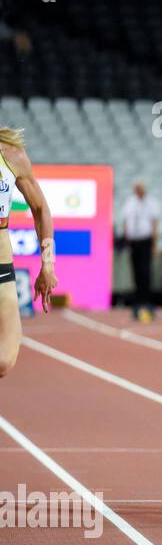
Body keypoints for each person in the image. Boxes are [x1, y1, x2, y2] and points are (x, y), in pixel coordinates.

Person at [0, 127, 57, 376]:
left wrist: (48, 264)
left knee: (5, 359)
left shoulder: (12, 156)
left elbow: (41, 210)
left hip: (1, 268)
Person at [120, 181, 160, 319]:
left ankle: (146, 301)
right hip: (133, 241)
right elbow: (125, 221)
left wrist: (155, 243)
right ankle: (137, 302)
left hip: (145, 240)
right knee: (136, 271)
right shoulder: (130, 202)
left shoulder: (151, 202)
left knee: (146, 271)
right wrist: (126, 238)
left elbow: (154, 223)